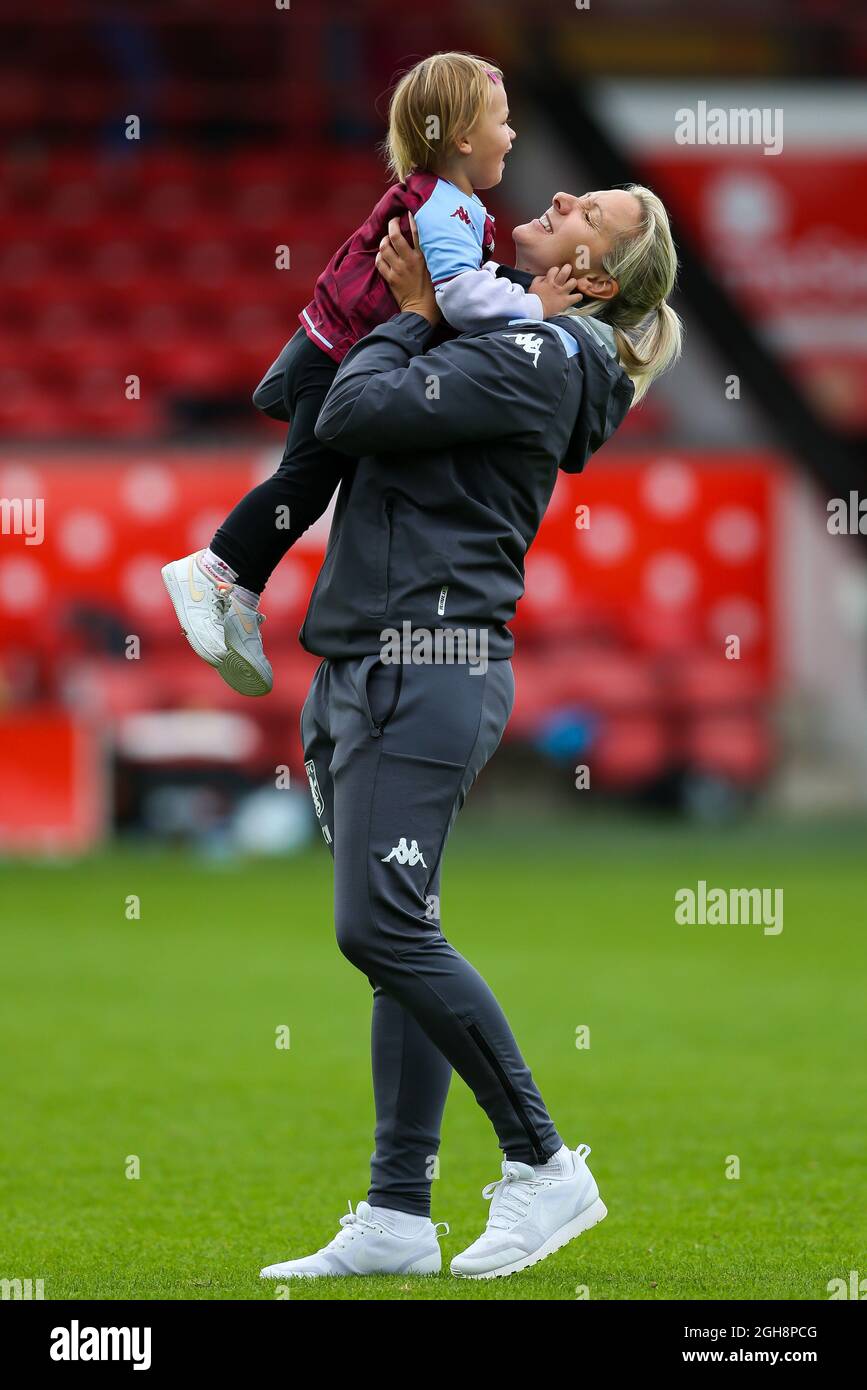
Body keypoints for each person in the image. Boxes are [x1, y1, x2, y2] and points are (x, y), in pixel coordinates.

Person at [258, 186, 682, 1280]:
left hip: (428, 663)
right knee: (394, 942)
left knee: (382, 931)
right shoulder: (505, 333)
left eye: (594, 209)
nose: (557, 196)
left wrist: (406, 310)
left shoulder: (549, 352)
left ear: (593, 277)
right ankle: (400, 1210)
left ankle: (546, 1165)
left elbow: (349, 417)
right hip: (362, 657)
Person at [160, 51, 581, 695]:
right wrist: (537, 304)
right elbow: (464, 301)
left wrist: (520, 287)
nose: (514, 133)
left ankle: (239, 593)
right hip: (336, 360)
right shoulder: (444, 209)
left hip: (334, 353)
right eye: (504, 119)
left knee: (312, 482)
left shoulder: (455, 206)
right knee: (305, 481)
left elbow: (468, 284)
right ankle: (215, 571)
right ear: (463, 136)